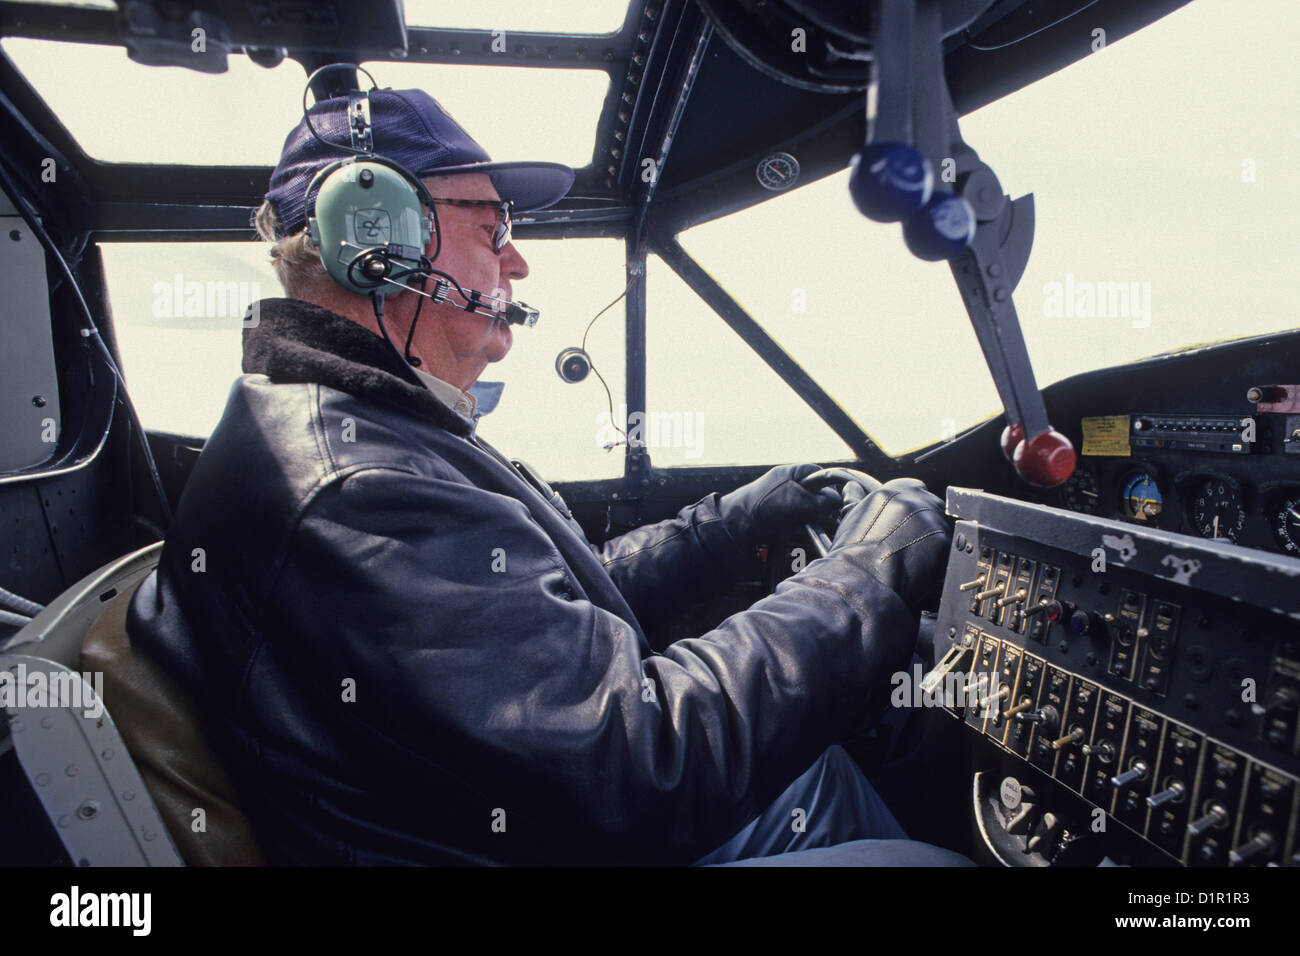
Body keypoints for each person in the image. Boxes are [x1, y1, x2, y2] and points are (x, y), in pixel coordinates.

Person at [127, 85, 969, 866]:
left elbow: (539, 613)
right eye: (492, 227)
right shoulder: (358, 490)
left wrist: (724, 528)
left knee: (817, 776)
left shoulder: (357, 428)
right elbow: (633, 771)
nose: (516, 261)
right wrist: (867, 580)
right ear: (378, 238)